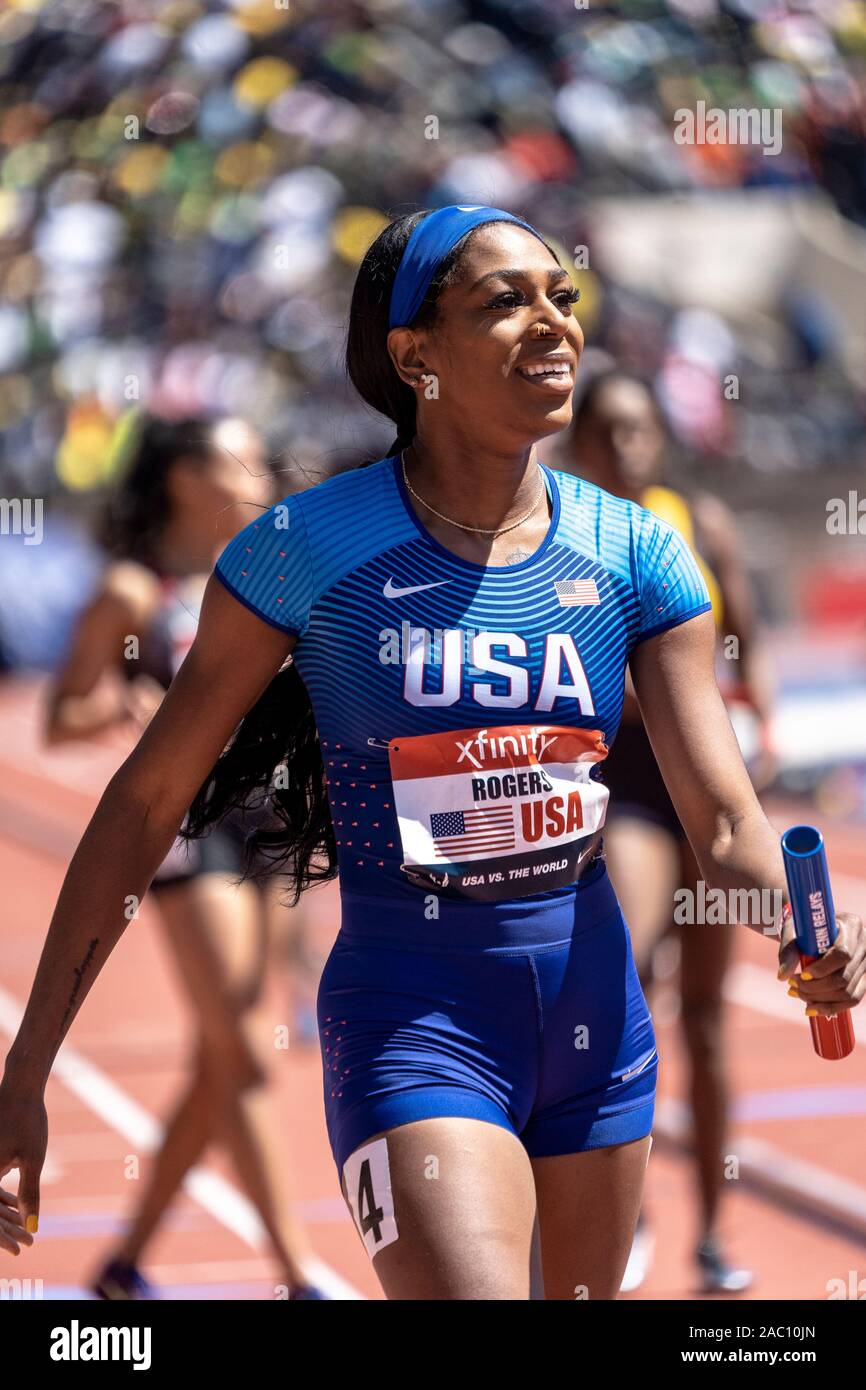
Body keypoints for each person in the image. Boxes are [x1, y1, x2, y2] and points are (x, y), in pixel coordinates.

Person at [1, 208, 863, 1301]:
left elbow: (729, 826)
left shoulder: (637, 551)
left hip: (595, 1020)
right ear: (414, 355)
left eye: (563, 297)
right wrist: (28, 1067)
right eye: (505, 301)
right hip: (413, 1022)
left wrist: (802, 920)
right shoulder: (304, 549)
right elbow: (144, 804)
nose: (551, 324)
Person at [43, 413, 326, 1300]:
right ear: (182, 478)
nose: (258, 464)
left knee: (226, 1060)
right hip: (186, 834)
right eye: (236, 453)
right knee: (242, 1054)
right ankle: (297, 1274)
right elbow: (62, 714)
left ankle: (126, 1264)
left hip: (267, 825)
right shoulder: (137, 591)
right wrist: (125, 706)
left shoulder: (261, 579)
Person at [551, 369, 774, 1293]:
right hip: (632, 787)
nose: (631, 448)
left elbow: (744, 640)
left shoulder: (699, 524)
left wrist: (757, 718)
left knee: (712, 1022)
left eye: (643, 431)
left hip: (709, 773)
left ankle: (715, 1232)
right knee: (630, 973)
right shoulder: (563, 537)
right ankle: (621, 1198)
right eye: (612, 434)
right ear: (583, 445)